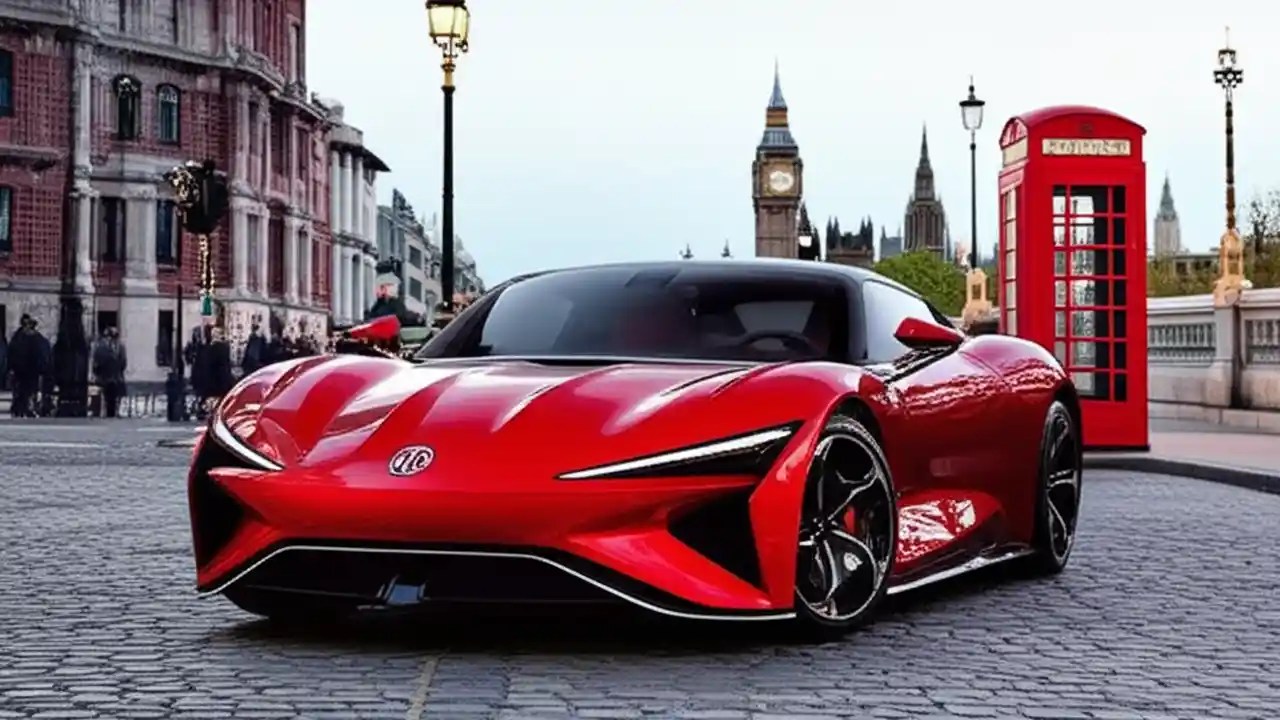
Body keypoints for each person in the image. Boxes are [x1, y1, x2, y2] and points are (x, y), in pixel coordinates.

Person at [91, 327, 127, 418]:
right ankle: (108, 412)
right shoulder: (103, 348)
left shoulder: (118, 347)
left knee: (112, 396)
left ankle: (112, 411)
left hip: (112, 377)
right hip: (108, 377)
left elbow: (123, 362)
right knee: (108, 396)